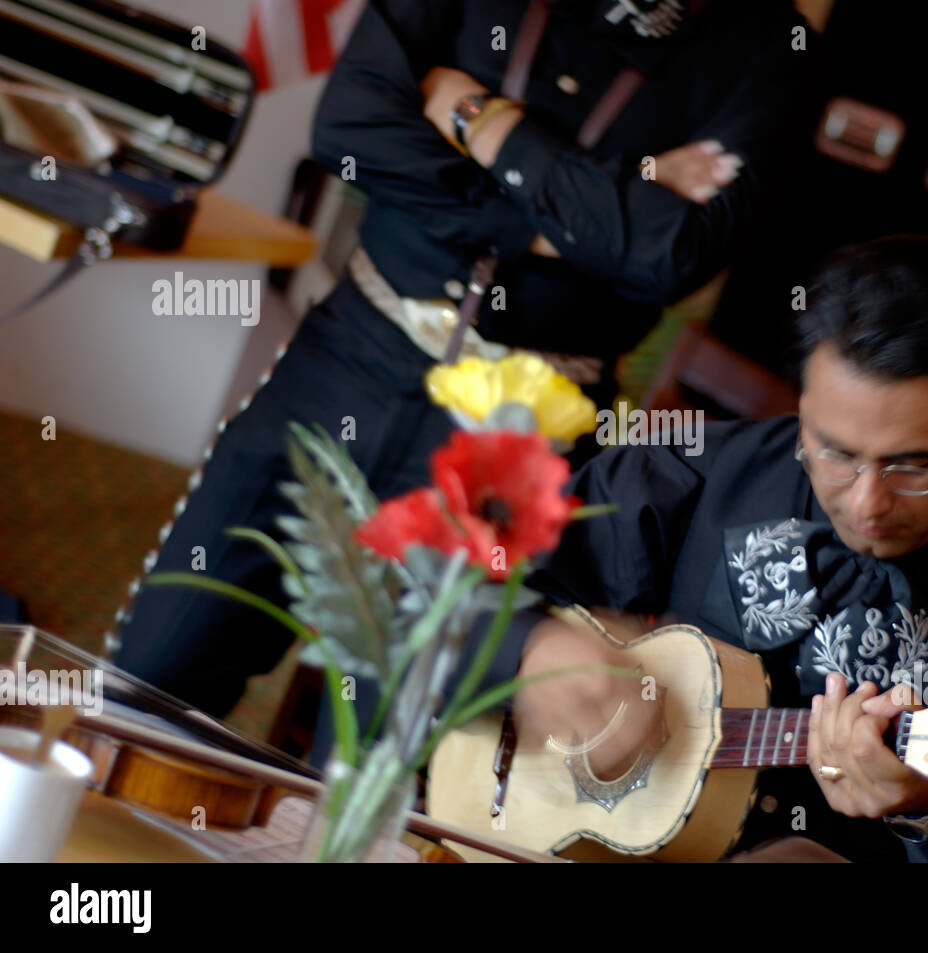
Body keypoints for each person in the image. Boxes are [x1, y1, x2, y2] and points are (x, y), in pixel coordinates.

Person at [112, 0, 815, 719]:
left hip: (531, 431)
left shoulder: (773, 48)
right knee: (150, 676)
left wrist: (479, 119)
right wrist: (586, 210)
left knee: (386, 763)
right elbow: (350, 125)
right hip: (347, 361)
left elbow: (667, 254)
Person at [478, 236, 928, 862]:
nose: (866, 502)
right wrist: (531, 645)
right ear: (802, 401)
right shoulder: (694, 472)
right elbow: (444, 585)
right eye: (834, 450)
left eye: (914, 464)